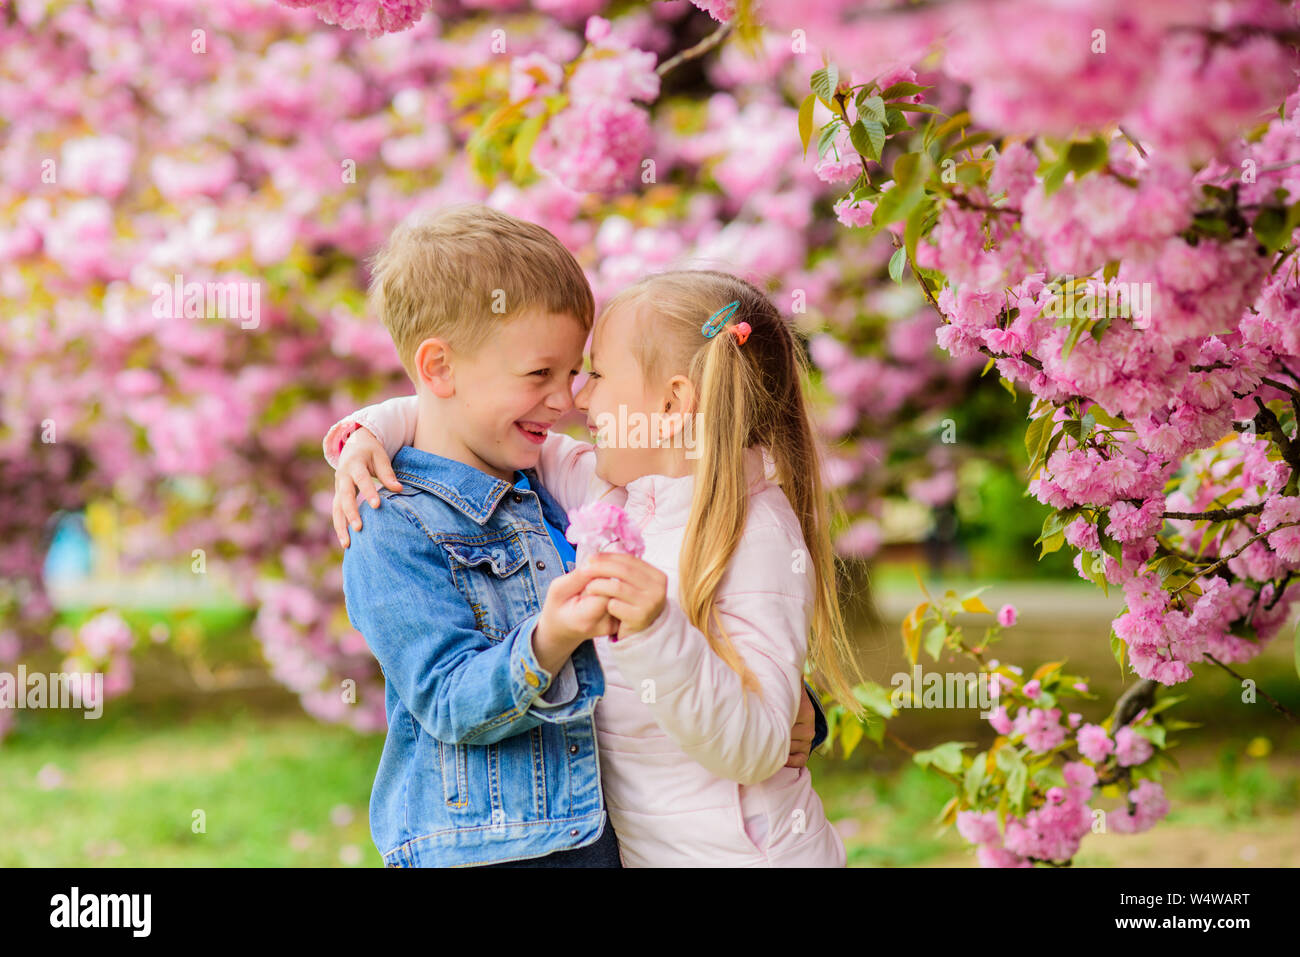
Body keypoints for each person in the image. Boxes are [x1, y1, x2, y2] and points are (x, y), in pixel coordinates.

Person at [332, 205, 820, 867]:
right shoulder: (420, 511)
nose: (570, 400)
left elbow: (738, 690)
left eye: (583, 374)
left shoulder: (687, 509)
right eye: (544, 375)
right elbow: (450, 694)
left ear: (674, 405)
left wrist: (791, 703)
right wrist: (362, 435)